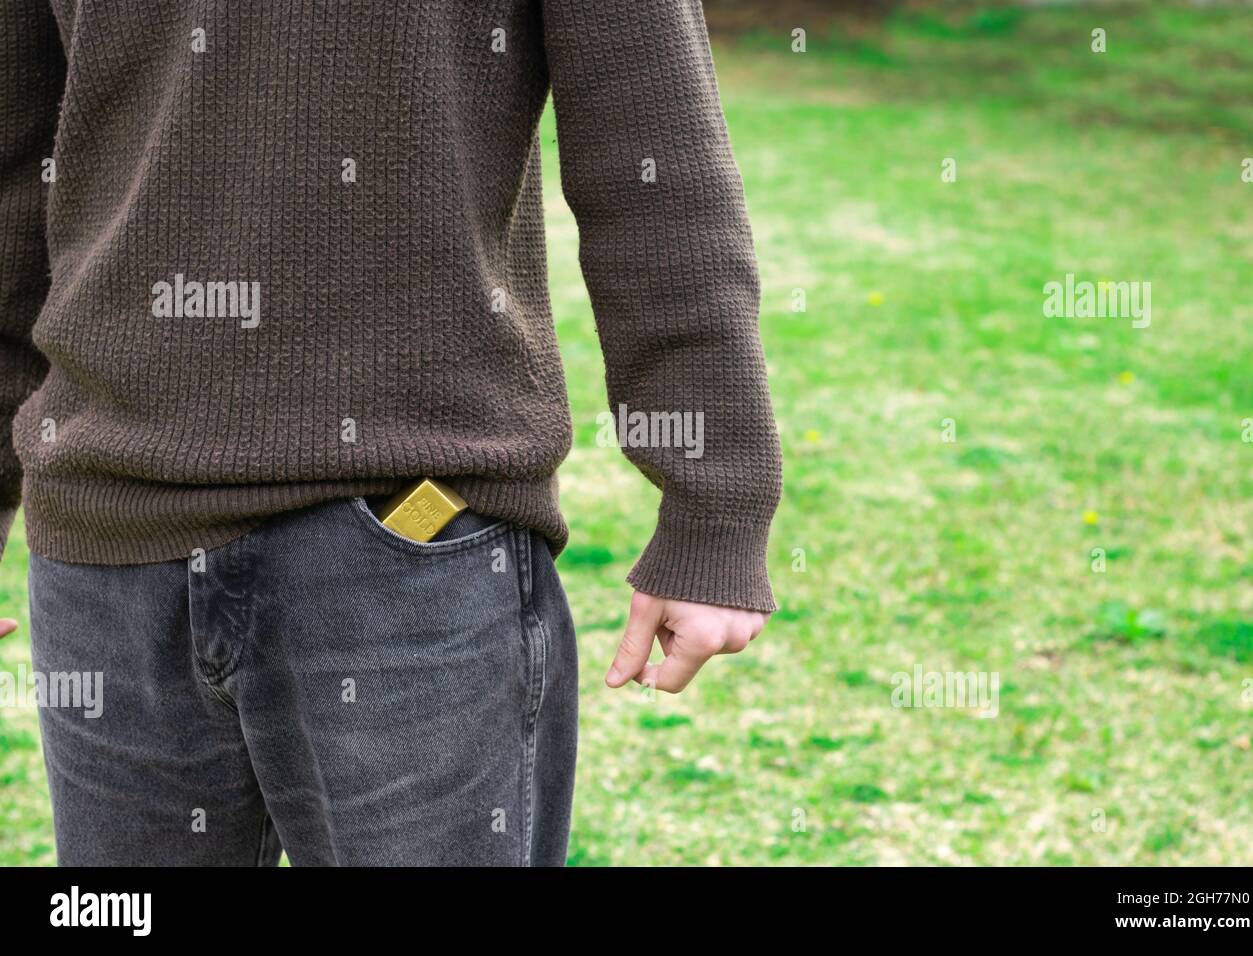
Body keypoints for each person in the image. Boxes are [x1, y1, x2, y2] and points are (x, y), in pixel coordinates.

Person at [0, 0, 781, 866]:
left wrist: (716, 501)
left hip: (409, 539)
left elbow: (654, 160)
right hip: (104, 550)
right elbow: (9, 176)